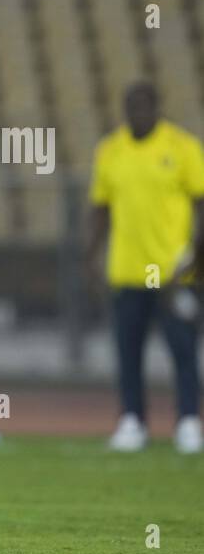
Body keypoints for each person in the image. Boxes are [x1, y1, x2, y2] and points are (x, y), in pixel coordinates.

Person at [87, 81, 204, 454]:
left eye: (144, 104)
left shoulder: (182, 148)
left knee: (182, 350)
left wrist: (194, 258)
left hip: (173, 273)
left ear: (157, 106)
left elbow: (202, 204)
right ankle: (132, 421)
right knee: (128, 351)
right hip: (127, 270)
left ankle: (188, 421)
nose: (137, 111)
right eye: (131, 104)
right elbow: (100, 208)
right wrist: (89, 255)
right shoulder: (110, 150)